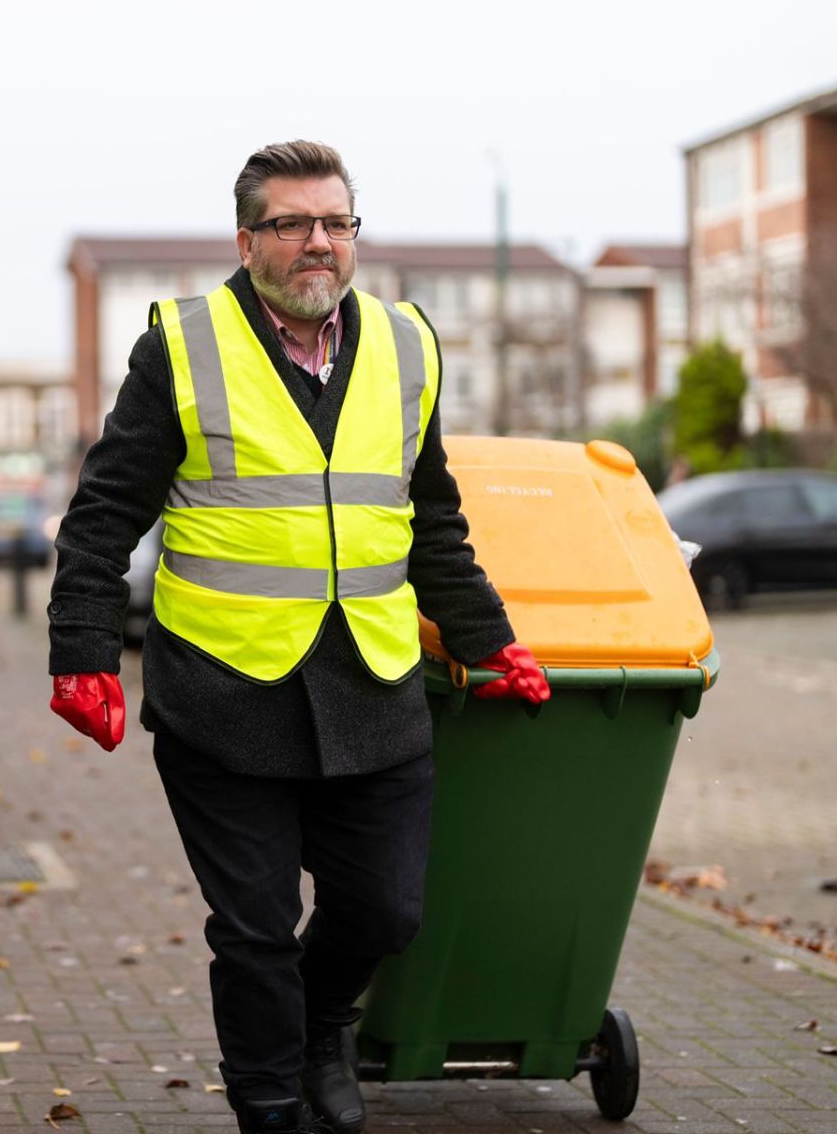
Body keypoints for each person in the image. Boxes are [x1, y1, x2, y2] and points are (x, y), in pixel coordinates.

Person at [46, 141, 550, 1134]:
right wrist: (82, 649)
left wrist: (489, 640)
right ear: (247, 241)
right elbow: (104, 514)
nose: (318, 241)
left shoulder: (407, 345)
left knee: (386, 909)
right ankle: (271, 1102)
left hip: (374, 688)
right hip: (224, 696)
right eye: (291, 223)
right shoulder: (184, 347)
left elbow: (431, 518)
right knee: (255, 930)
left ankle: (324, 1029)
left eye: (336, 222)